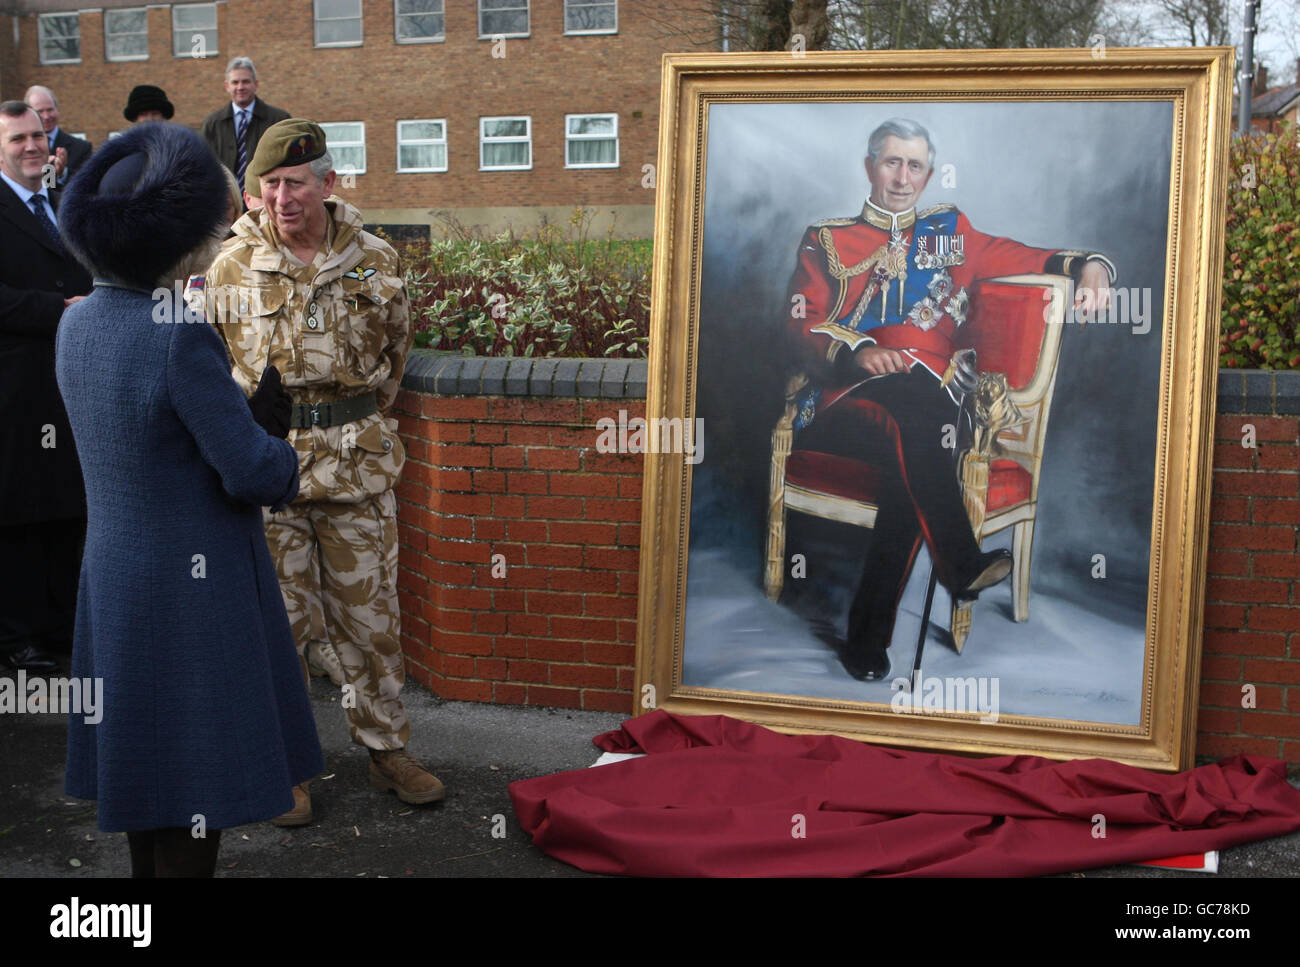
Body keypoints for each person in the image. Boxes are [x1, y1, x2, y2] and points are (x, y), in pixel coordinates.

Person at [55, 121, 323, 876]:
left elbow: (148, 441)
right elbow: (255, 476)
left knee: (145, 782)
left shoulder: (74, 324)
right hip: (189, 589)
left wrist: (232, 420)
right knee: (193, 791)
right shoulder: (179, 334)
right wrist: (270, 437)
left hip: (114, 577)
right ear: (175, 236)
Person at [785, 117, 1114, 682]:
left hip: (926, 414)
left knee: (913, 450)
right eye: (892, 162)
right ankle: (961, 563)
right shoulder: (827, 238)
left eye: (915, 165)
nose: (903, 176)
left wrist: (1092, 267)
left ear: (929, 173)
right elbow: (799, 321)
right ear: (870, 167)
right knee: (919, 411)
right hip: (845, 400)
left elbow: (1029, 256)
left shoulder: (952, 232)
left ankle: (869, 639)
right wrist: (858, 352)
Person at [205, 119, 443, 823]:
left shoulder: (377, 259)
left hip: (357, 468)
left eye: (295, 183)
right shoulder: (229, 267)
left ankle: (385, 749)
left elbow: (394, 360)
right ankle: (281, 764)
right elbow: (206, 369)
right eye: (269, 185)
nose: (281, 197)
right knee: (277, 626)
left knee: (371, 622)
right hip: (267, 472)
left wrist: (350, 423)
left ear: (328, 184)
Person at [0, 101, 92, 673]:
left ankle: (62, 627)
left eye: (37, 135)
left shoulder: (63, 201)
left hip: (67, 381)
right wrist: (57, 309)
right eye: (18, 140)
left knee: (66, 503)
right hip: (13, 387)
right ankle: (19, 635)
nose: (33, 146)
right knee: (18, 510)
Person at [200, 57, 290, 195]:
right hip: (226, 203)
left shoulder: (278, 120)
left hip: (266, 200)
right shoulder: (212, 124)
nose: (240, 87)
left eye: (245, 82)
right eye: (235, 82)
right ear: (227, 86)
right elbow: (204, 166)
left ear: (256, 84)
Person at [23, 86, 92, 185]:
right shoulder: (19, 148)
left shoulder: (82, 149)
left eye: (50, 110)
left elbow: (86, 185)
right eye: (40, 111)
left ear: (57, 109)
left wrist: (62, 173)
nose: (46, 116)